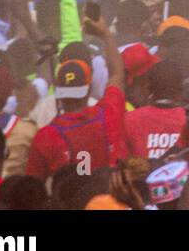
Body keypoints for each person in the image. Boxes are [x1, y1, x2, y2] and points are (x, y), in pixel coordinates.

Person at [24, 19, 128, 179]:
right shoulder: (108, 113)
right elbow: (117, 74)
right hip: (112, 202)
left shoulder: (46, 136)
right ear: (88, 90)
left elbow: (33, 187)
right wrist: (105, 35)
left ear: (59, 92)